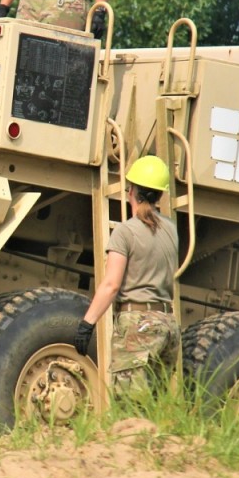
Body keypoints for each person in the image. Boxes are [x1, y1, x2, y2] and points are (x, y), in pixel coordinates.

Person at [72, 156, 180, 396]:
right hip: (168, 325)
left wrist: (87, 324)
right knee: (154, 408)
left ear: (131, 191)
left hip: (138, 325)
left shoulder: (125, 232)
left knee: (131, 407)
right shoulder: (171, 230)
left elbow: (111, 285)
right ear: (160, 195)